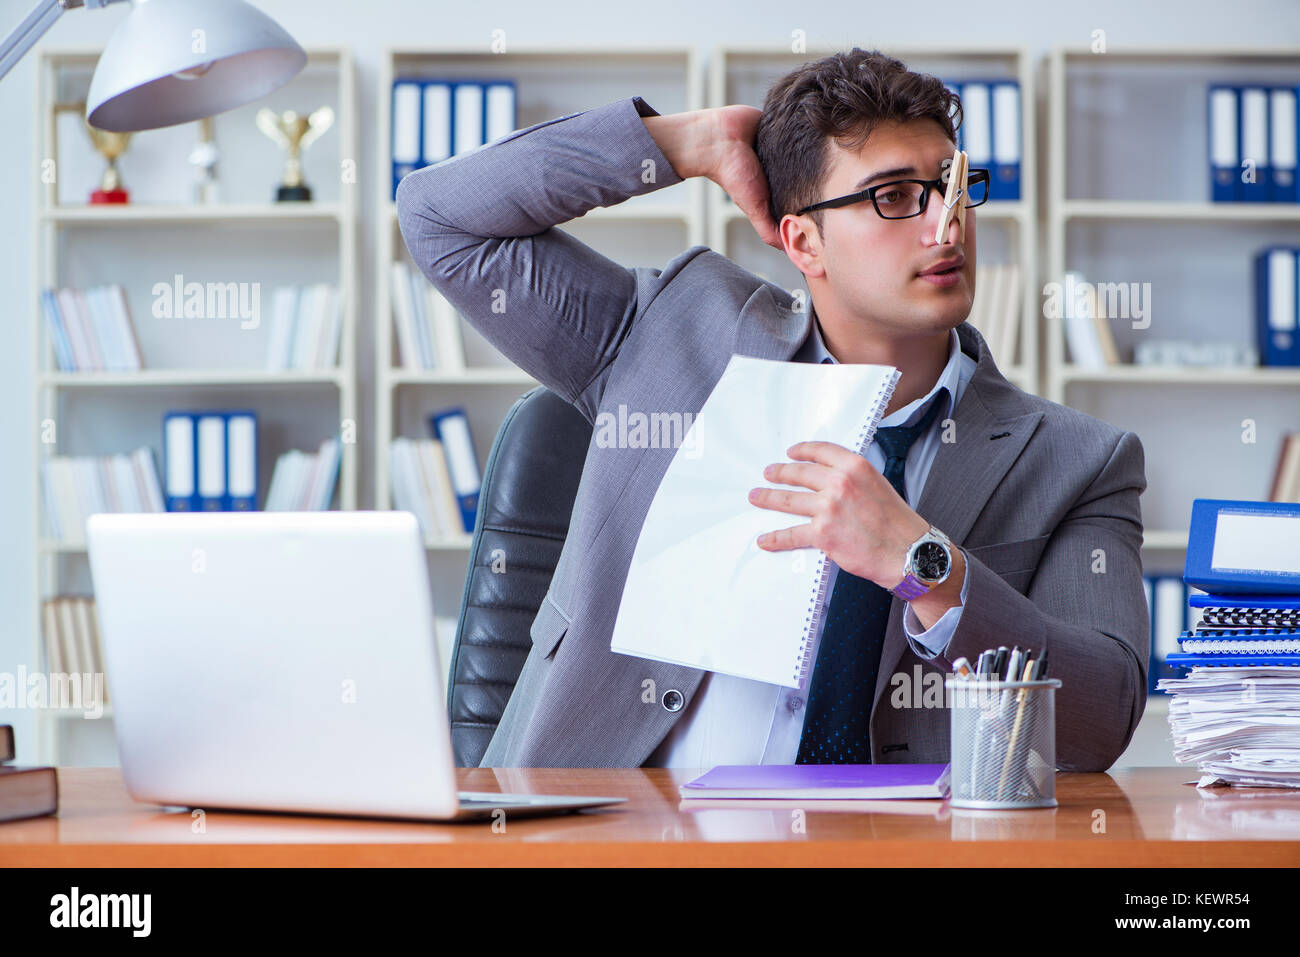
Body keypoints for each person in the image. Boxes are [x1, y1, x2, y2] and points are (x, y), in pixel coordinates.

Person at [396, 48, 1149, 772]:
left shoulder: (1077, 459)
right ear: (804, 241)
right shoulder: (676, 332)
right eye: (893, 197)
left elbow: (1102, 718)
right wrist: (681, 143)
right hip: (609, 828)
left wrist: (928, 568)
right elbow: (440, 219)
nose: (944, 226)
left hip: (892, 847)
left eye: (951, 186)